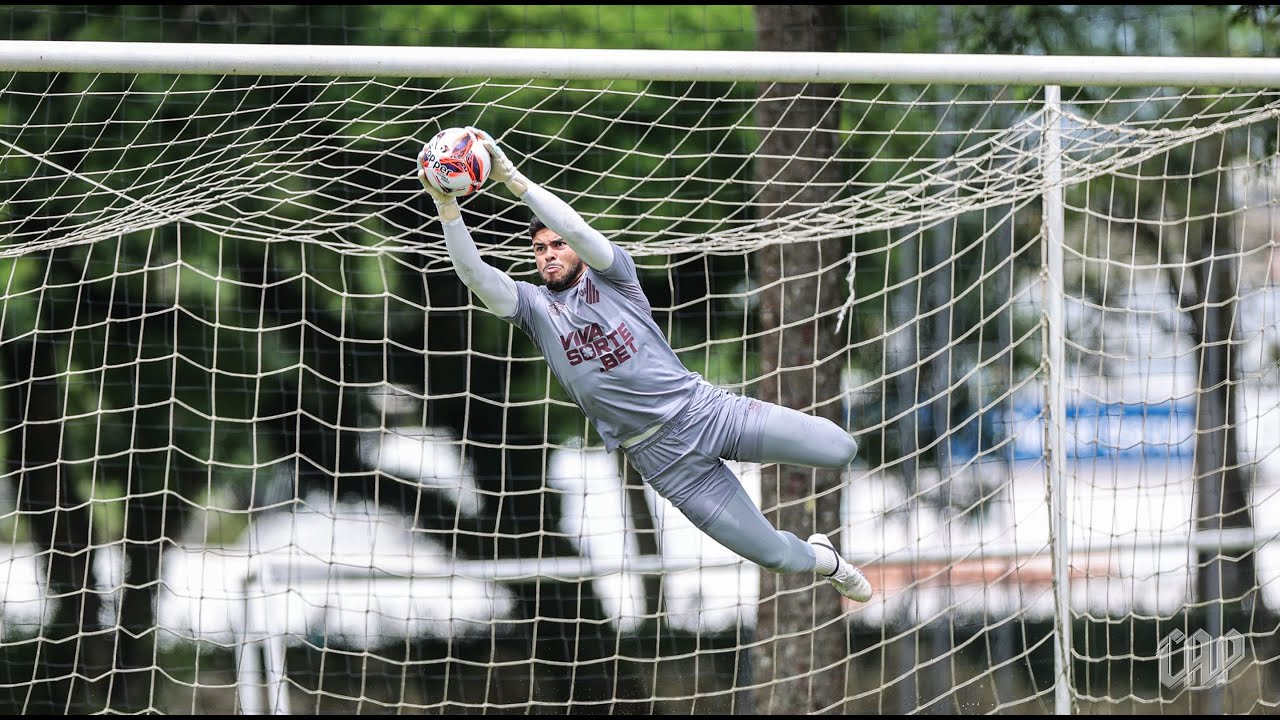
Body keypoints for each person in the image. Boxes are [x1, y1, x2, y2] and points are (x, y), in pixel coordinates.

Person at [416, 127, 872, 603]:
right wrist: (448, 210)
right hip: (664, 462)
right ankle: (827, 560)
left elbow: (575, 228)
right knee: (776, 557)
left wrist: (513, 180)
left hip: (707, 413)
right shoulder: (533, 309)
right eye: (540, 250)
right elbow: (475, 275)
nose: (550, 254)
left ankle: (820, 540)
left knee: (840, 449)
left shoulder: (615, 277)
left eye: (556, 246)